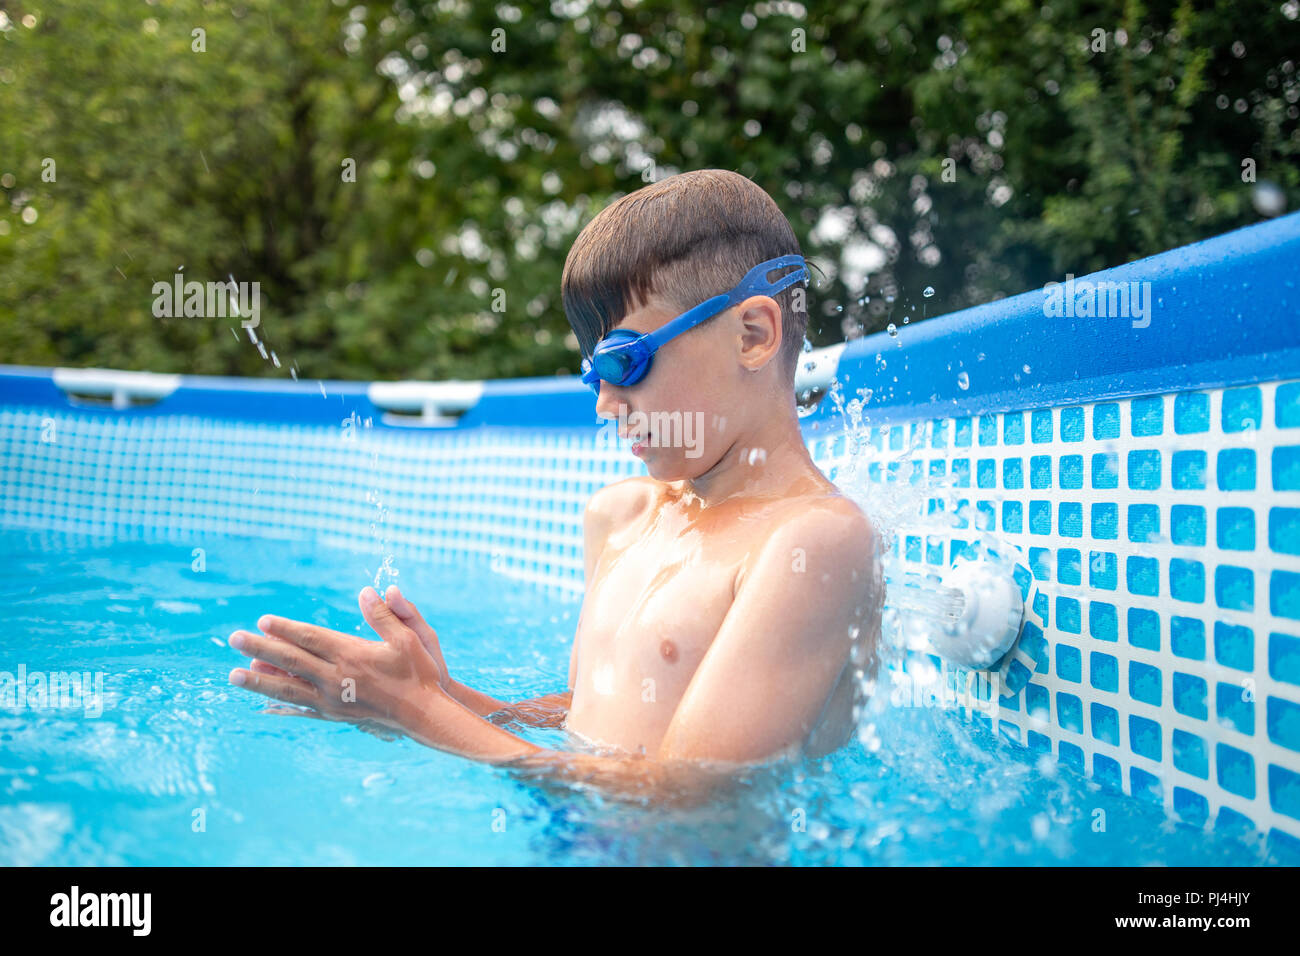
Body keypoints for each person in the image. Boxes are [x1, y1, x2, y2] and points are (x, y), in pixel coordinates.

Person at [227, 169, 881, 803]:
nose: (604, 404)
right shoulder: (621, 516)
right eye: (591, 374)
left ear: (753, 334)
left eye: (624, 362)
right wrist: (441, 691)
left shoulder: (814, 543)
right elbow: (588, 722)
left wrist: (416, 713)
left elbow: (691, 797)